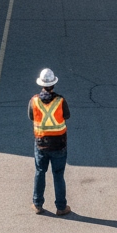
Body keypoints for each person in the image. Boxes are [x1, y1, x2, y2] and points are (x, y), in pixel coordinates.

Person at [29, 68, 71, 216]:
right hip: (59, 143)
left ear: (41, 84)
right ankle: (61, 207)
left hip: (41, 142)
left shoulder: (34, 100)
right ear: (54, 84)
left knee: (40, 172)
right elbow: (67, 115)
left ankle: (37, 204)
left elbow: (31, 117)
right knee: (58, 175)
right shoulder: (60, 100)